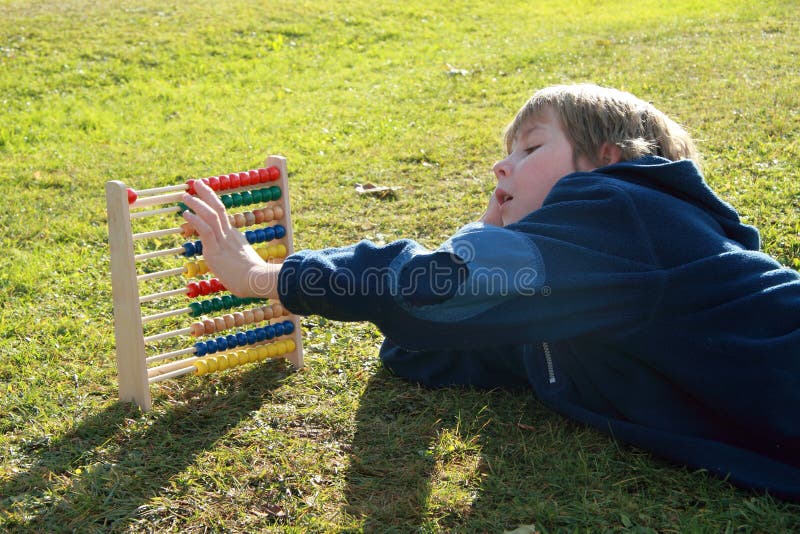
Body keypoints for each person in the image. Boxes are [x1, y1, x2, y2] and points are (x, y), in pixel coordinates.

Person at [182, 84, 800, 501]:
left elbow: (435, 288)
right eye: (504, 157)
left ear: (606, 159)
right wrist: (487, 236)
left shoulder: (622, 207)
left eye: (531, 148)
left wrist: (264, 276)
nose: (502, 168)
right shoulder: (569, 302)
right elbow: (424, 346)